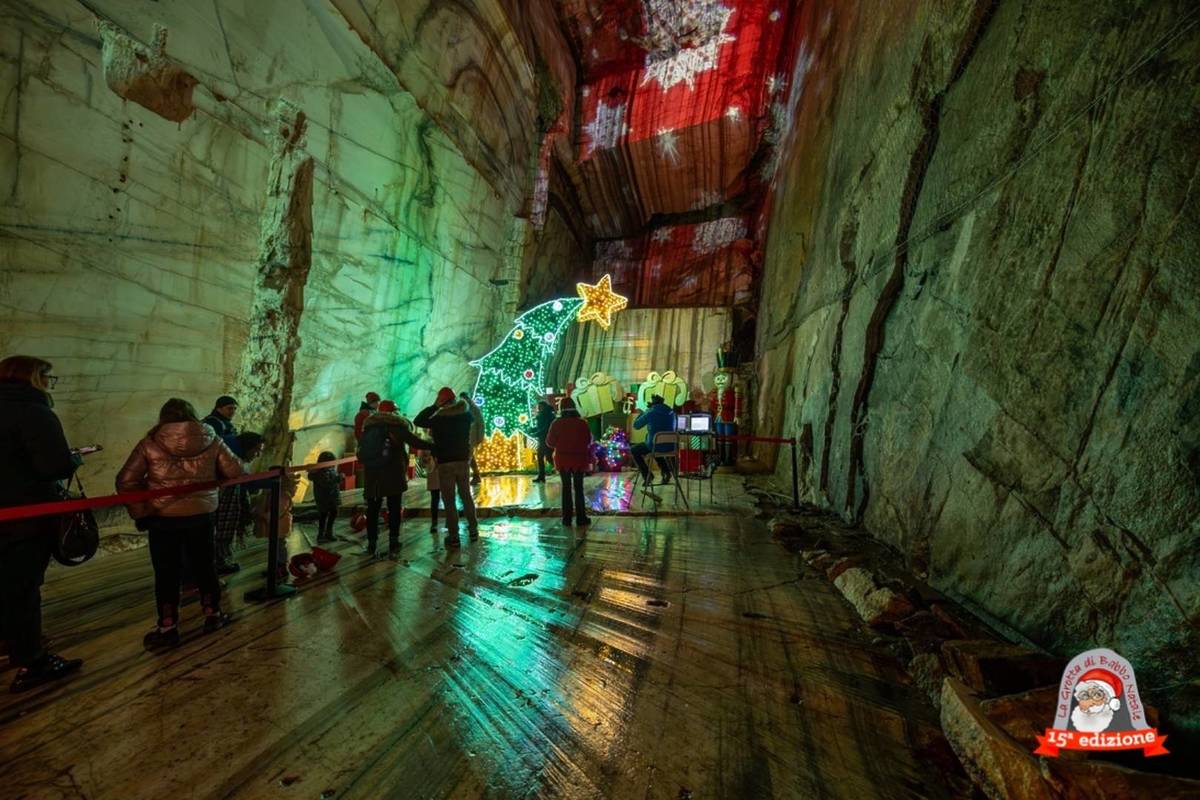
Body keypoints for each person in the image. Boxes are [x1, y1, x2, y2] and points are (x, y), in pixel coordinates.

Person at [117, 398, 242, 650]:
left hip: (163, 518)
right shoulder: (212, 439)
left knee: (167, 573)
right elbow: (235, 471)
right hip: (201, 515)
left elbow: (126, 480)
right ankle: (213, 614)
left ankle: (168, 626)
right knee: (205, 566)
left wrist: (142, 512)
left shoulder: (150, 442)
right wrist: (211, 482)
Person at [0, 356, 84, 692]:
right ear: (34, 378)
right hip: (25, 515)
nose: (50, 383)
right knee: (23, 586)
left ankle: (8, 641)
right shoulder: (35, 412)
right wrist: (73, 459)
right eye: (48, 377)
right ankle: (32, 661)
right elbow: (53, 466)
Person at [359, 400, 433, 558]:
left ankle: (372, 543)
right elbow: (415, 442)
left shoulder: (368, 427)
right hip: (392, 474)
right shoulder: (397, 426)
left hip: (372, 475)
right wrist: (433, 446)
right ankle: (393, 541)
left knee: (372, 510)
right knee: (394, 508)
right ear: (393, 412)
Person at [414, 388, 478, 548]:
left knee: (449, 500)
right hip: (462, 461)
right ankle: (473, 530)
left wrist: (435, 406)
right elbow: (474, 418)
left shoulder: (438, 418)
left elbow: (418, 420)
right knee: (466, 496)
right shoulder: (465, 415)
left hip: (445, 463)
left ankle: (454, 536)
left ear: (441, 401)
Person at [213, 431, 264, 574]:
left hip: (214, 499)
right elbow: (242, 478)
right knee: (219, 530)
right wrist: (267, 482)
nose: (258, 455)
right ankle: (218, 563)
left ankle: (219, 561)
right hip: (217, 500)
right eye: (257, 451)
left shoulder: (231, 453)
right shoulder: (230, 459)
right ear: (247, 447)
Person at [545, 398, 592, 527]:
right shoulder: (582, 423)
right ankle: (581, 518)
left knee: (566, 488)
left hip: (563, 460)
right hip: (579, 459)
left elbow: (549, 442)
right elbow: (588, 440)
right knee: (579, 488)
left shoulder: (556, 423)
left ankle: (566, 519)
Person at [252, 465, 299, 579]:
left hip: (279, 526)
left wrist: (262, 514)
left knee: (280, 547)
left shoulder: (282, 494)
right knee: (275, 547)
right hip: (275, 525)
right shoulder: (272, 491)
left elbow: (278, 511)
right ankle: (274, 568)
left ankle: (281, 569)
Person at [631, 395, 676, 486]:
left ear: (653, 403)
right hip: (671, 446)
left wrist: (643, 412)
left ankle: (648, 476)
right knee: (656, 448)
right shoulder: (671, 412)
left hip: (654, 445)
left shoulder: (650, 412)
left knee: (634, 450)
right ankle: (666, 472)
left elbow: (636, 425)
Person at [309, 450, 341, 544]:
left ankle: (326, 533)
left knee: (329, 514)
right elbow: (326, 483)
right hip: (326, 498)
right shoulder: (321, 471)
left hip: (329, 497)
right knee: (325, 515)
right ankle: (323, 535)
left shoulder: (325, 469)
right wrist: (339, 478)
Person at [460, 392, 484, 484]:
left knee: (468, 456)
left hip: (471, 437)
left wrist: (480, 437)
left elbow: (481, 424)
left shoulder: (474, 409)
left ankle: (470, 477)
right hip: (465, 437)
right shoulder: (463, 409)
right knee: (469, 456)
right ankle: (475, 475)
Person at [417, 450, 443, 534]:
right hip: (435, 474)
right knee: (435, 499)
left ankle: (448, 522)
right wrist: (426, 459)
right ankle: (435, 522)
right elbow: (421, 463)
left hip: (443, 472)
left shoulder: (428, 446)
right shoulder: (427, 447)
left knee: (445, 498)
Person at [532, 400, 555, 483]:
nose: (538, 408)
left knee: (548, 457)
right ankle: (541, 476)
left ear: (543, 407)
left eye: (540, 407)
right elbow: (541, 427)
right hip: (543, 439)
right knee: (542, 457)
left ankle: (563, 470)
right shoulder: (543, 415)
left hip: (546, 439)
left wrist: (536, 433)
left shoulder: (547, 415)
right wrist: (534, 430)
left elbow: (546, 428)